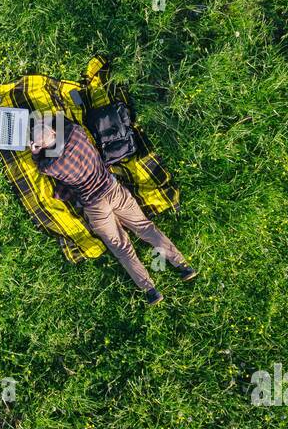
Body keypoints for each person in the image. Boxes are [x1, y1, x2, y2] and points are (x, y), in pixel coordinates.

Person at [29, 114, 196, 304]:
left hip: (95, 206)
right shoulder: (75, 134)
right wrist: (45, 123)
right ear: (54, 131)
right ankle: (183, 267)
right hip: (113, 190)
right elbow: (62, 120)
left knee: (122, 249)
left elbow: (40, 165)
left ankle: (151, 290)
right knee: (146, 228)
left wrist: (35, 151)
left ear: (42, 146)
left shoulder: (52, 165)